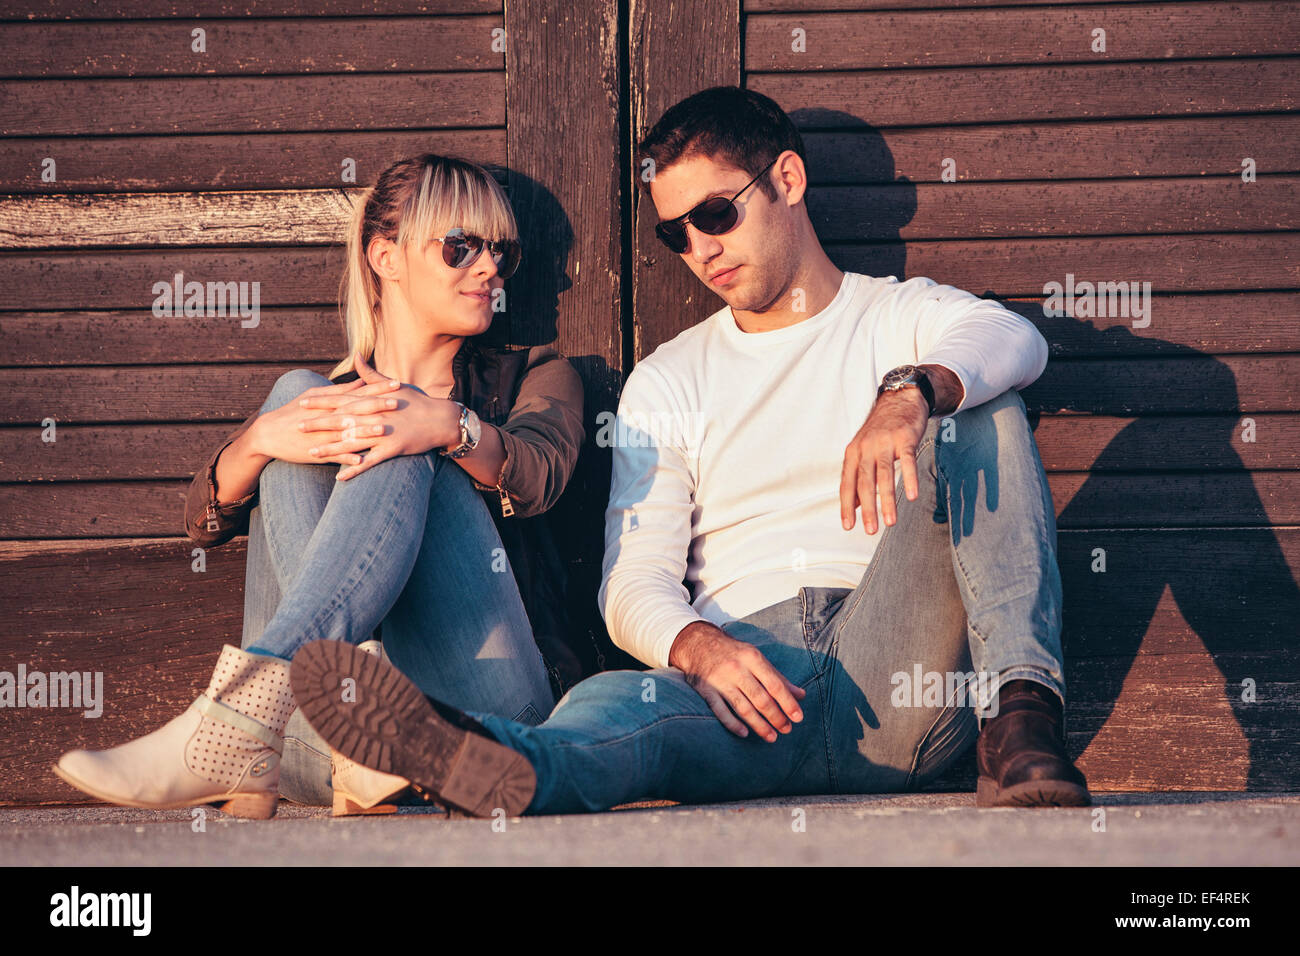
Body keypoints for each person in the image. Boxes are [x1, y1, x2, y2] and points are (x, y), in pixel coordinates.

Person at [293, 86, 1091, 816]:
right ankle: (486, 765)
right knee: (613, 708)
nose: (701, 249)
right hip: (738, 683)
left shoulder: (899, 317)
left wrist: (911, 393)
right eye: (676, 233)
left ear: (787, 180)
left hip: (897, 667)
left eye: (716, 215)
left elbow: (1015, 339)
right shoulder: (668, 379)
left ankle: (1022, 717)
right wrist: (698, 647)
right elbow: (633, 581)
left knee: (984, 408)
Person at [52, 154, 587, 818]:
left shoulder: (537, 373)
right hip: (313, 748)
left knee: (392, 419)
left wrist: (449, 426)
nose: (488, 269)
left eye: (499, 251)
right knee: (298, 396)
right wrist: (253, 444)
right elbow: (201, 519)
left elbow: (539, 475)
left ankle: (238, 717)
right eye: (460, 247)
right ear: (386, 256)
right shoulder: (324, 406)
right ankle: (332, 737)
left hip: (475, 718)